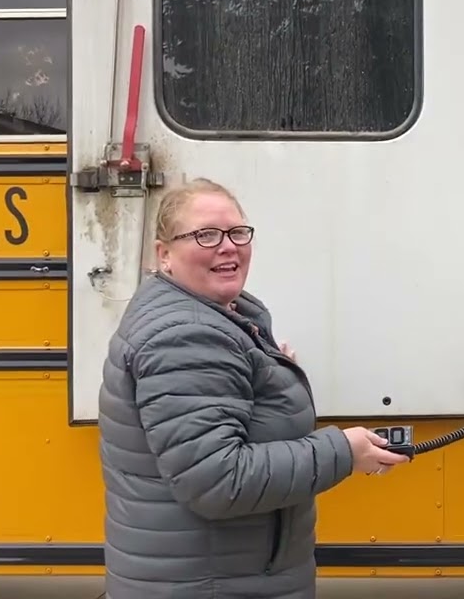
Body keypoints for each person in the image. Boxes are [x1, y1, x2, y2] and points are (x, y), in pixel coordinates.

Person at [98, 177, 409, 599]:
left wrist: (269, 375)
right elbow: (217, 479)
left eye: (237, 232)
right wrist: (343, 451)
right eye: (205, 235)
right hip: (214, 584)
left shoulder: (218, 316)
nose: (227, 246)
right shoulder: (185, 336)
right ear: (164, 254)